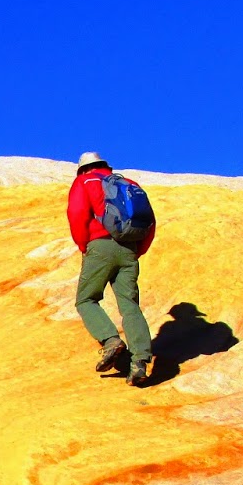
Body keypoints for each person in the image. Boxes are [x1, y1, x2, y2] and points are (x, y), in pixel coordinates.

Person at [67, 152, 155, 386]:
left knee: (86, 300)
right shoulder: (129, 183)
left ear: (83, 169)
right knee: (129, 305)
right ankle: (140, 362)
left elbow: (76, 213)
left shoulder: (84, 181)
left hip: (100, 246)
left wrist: (84, 244)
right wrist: (137, 250)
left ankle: (110, 341)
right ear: (105, 165)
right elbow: (149, 220)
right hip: (129, 249)